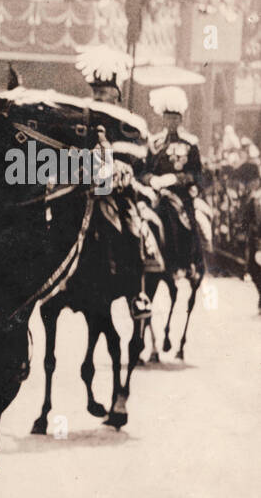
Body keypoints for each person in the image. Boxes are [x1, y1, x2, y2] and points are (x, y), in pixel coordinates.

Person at [75, 45, 151, 314]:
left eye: (104, 92)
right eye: (95, 91)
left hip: (117, 194)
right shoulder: (83, 118)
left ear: (116, 94)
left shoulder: (128, 123)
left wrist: (117, 170)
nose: (98, 97)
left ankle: (137, 294)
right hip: (82, 189)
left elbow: (136, 159)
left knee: (132, 234)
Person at [144, 85, 205, 279]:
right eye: (168, 117)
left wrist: (179, 179)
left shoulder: (190, 143)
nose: (172, 121)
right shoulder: (154, 143)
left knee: (188, 222)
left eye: (175, 117)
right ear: (163, 118)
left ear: (181, 119)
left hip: (180, 194)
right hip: (156, 193)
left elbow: (198, 173)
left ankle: (189, 262)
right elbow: (144, 170)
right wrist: (153, 180)